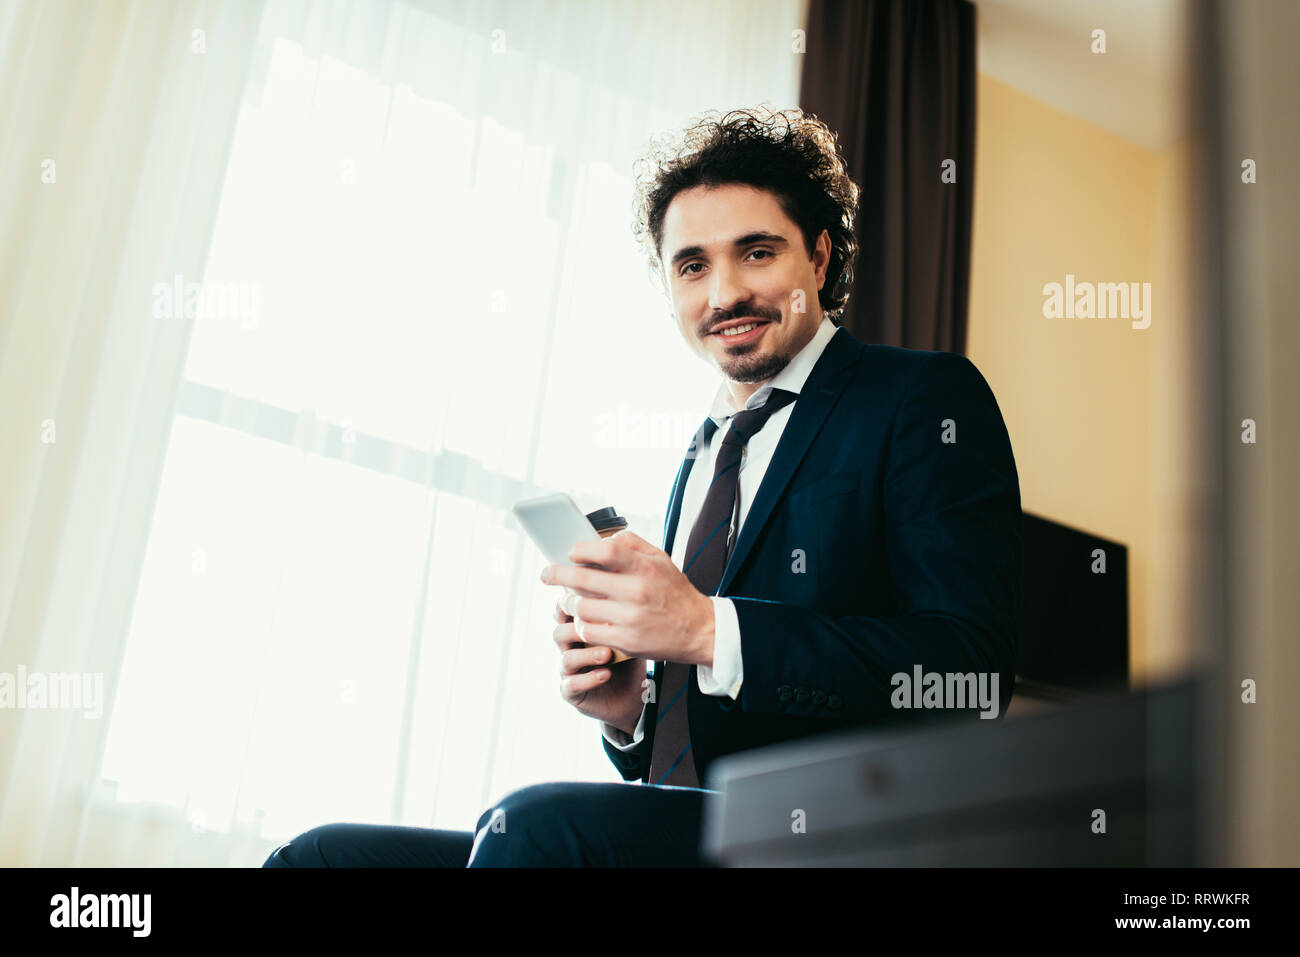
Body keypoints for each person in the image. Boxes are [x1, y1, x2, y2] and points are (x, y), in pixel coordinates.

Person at [263, 105, 1022, 868]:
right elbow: (689, 744)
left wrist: (703, 628)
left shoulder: (921, 398)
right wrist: (630, 712)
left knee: (533, 827)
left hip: (835, 836)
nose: (724, 294)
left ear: (820, 259)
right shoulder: (701, 455)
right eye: (692, 265)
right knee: (323, 857)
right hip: (700, 832)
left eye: (756, 252)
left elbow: (970, 671)